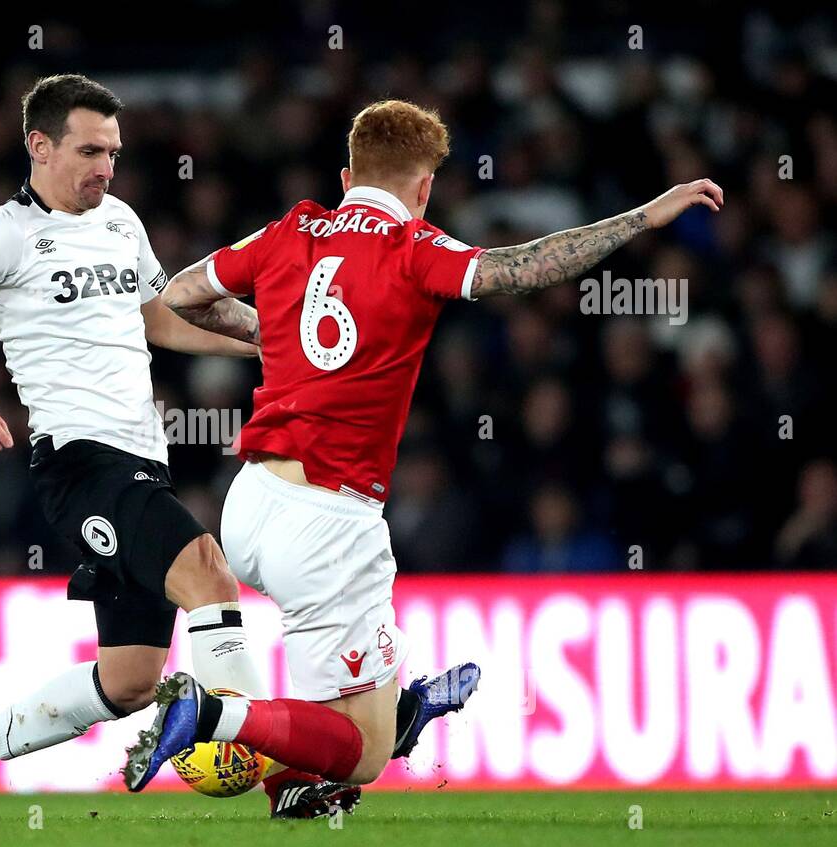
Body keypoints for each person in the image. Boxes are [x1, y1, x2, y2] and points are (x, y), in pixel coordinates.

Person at [126, 99, 723, 796]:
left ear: (347, 176)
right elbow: (522, 268)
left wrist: (269, 333)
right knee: (363, 753)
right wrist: (641, 218)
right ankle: (213, 713)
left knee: (335, 735)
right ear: (425, 187)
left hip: (250, 502)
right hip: (327, 516)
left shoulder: (295, 227)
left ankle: (341, 755)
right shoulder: (414, 248)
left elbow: (182, 294)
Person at [0, 74, 342, 818]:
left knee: (129, 680)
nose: (107, 167)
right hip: (81, 464)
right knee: (208, 572)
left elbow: (158, 320)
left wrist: (265, 345)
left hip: (139, 460)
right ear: (39, 146)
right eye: (91, 150)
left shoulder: (123, 220)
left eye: (114, 153)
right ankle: (286, 777)